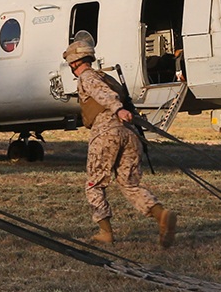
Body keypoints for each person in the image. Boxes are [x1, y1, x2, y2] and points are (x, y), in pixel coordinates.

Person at [66, 35, 178, 247]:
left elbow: (103, 95)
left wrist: (117, 109)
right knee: (129, 183)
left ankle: (105, 232)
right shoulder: (109, 78)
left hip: (106, 132)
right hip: (129, 133)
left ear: (74, 63)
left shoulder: (87, 77)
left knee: (94, 183)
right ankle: (161, 215)